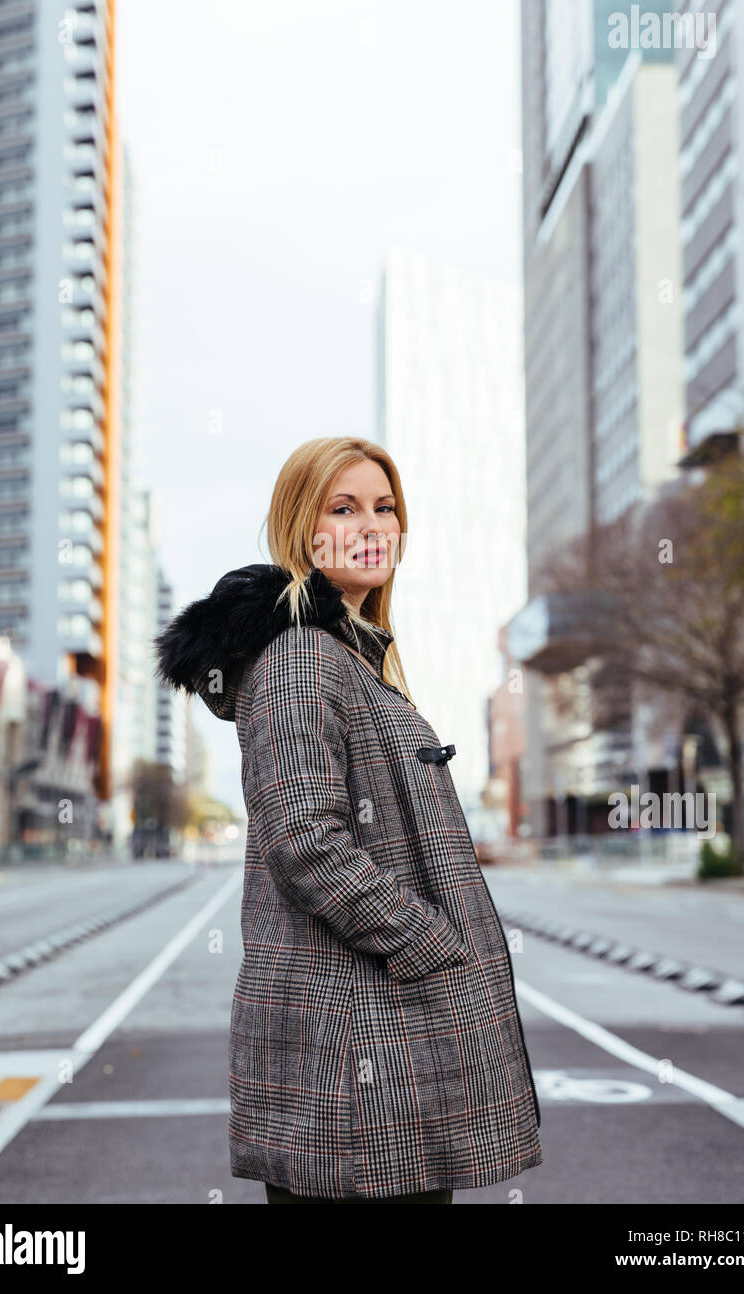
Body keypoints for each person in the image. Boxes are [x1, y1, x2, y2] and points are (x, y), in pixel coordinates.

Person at [154, 437, 543, 1203]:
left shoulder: (351, 656)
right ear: (303, 529)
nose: (372, 525)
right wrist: (431, 941)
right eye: (344, 507)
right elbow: (307, 842)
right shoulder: (303, 657)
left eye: (385, 507)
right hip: (358, 1058)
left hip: (378, 1046)